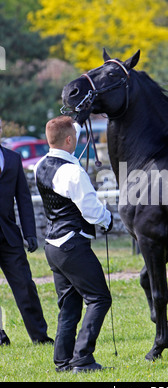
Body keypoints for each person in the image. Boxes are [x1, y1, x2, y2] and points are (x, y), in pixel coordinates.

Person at [34, 115, 113, 373]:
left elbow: (66, 133)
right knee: (99, 298)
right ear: (69, 141)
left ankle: (62, 361)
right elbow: (91, 211)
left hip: (53, 247)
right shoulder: (73, 172)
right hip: (72, 245)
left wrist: (77, 120)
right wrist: (108, 220)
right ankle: (82, 359)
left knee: (69, 307)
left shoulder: (39, 165)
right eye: (75, 138)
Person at [0, 118, 53, 346]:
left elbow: (23, 199)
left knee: (25, 286)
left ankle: (40, 336)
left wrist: (30, 232)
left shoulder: (13, 159)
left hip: (9, 237)